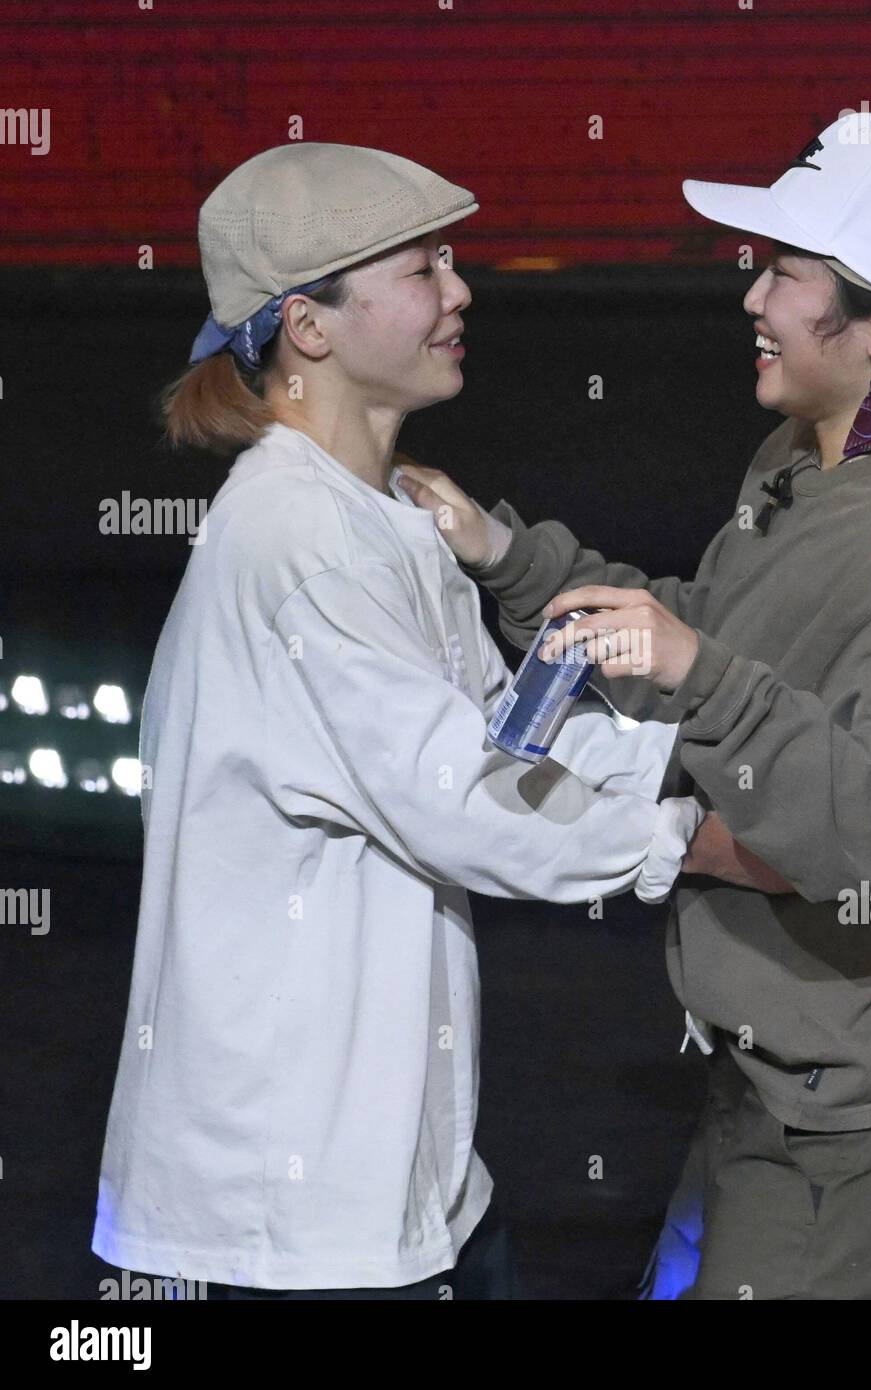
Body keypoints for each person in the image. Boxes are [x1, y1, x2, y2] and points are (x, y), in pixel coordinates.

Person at [398, 110, 871, 1299]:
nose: (753, 299)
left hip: (860, 1134)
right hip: (773, 1076)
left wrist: (701, 673)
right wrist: (504, 553)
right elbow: (703, 627)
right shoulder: (808, 458)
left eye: (785, 276)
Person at [88, 141, 752, 1300]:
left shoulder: (387, 513)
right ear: (310, 327)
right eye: (421, 268)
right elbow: (469, 802)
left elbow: (503, 726)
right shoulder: (290, 541)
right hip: (286, 1217)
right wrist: (692, 843)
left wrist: (710, 759)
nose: (460, 291)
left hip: (406, 1183)